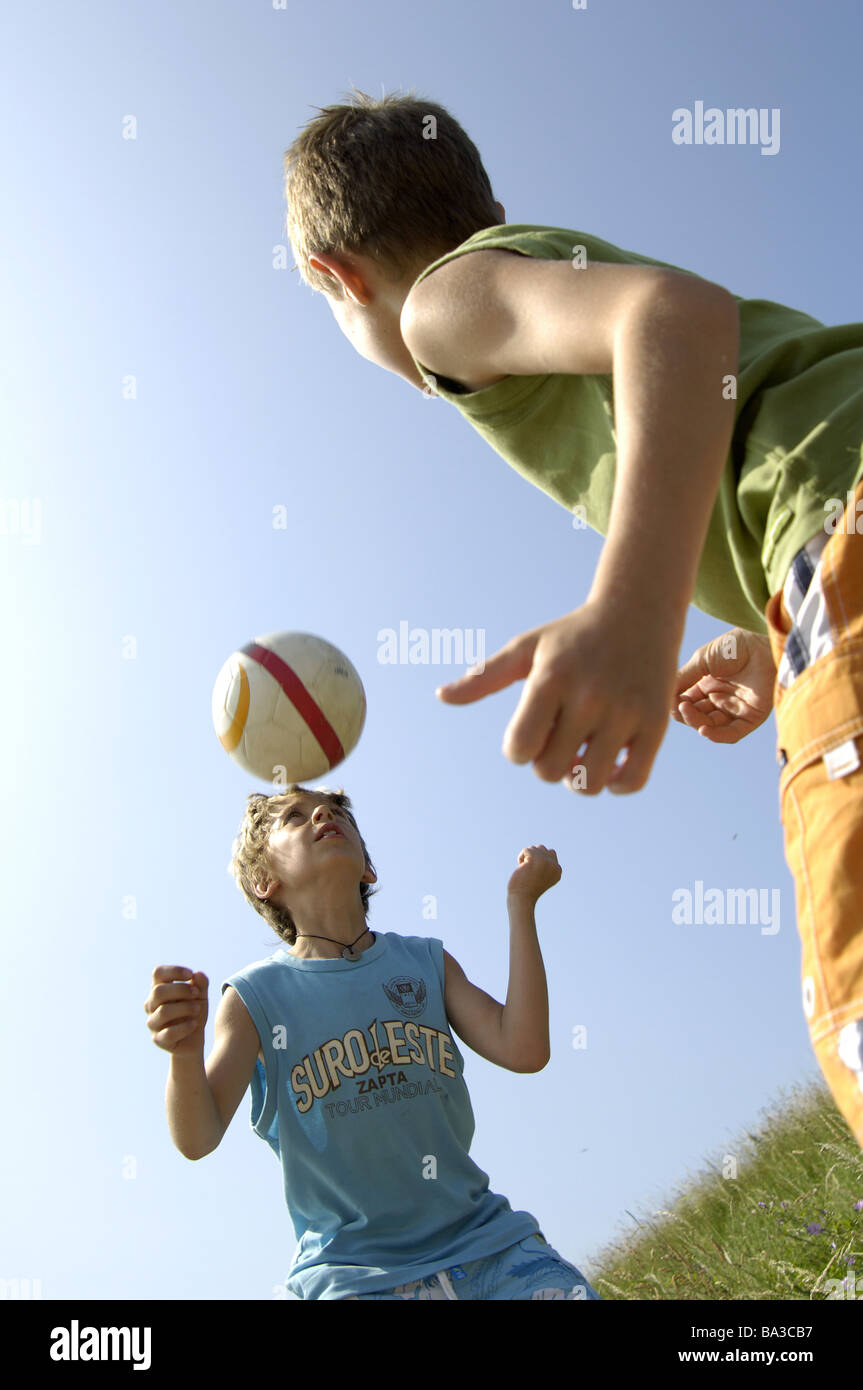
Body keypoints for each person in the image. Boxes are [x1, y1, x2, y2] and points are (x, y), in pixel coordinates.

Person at [280, 89, 863, 1149]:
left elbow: (675, 318)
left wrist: (631, 609)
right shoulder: (524, 265)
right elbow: (762, 413)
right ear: (482, 199)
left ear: (335, 275)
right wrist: (765, 633)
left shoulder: (439, 305)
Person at [144, 783, 601, 1301]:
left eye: (336, 810)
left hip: (489, 1245)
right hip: (352, 1276)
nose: (321, 813)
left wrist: (521, 904)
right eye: (294, 817)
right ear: (263, 880)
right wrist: (184, 1054)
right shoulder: (255, 997)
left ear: (368, 869)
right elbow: (197, 1137)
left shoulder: (424, 962)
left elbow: (523, 1049)